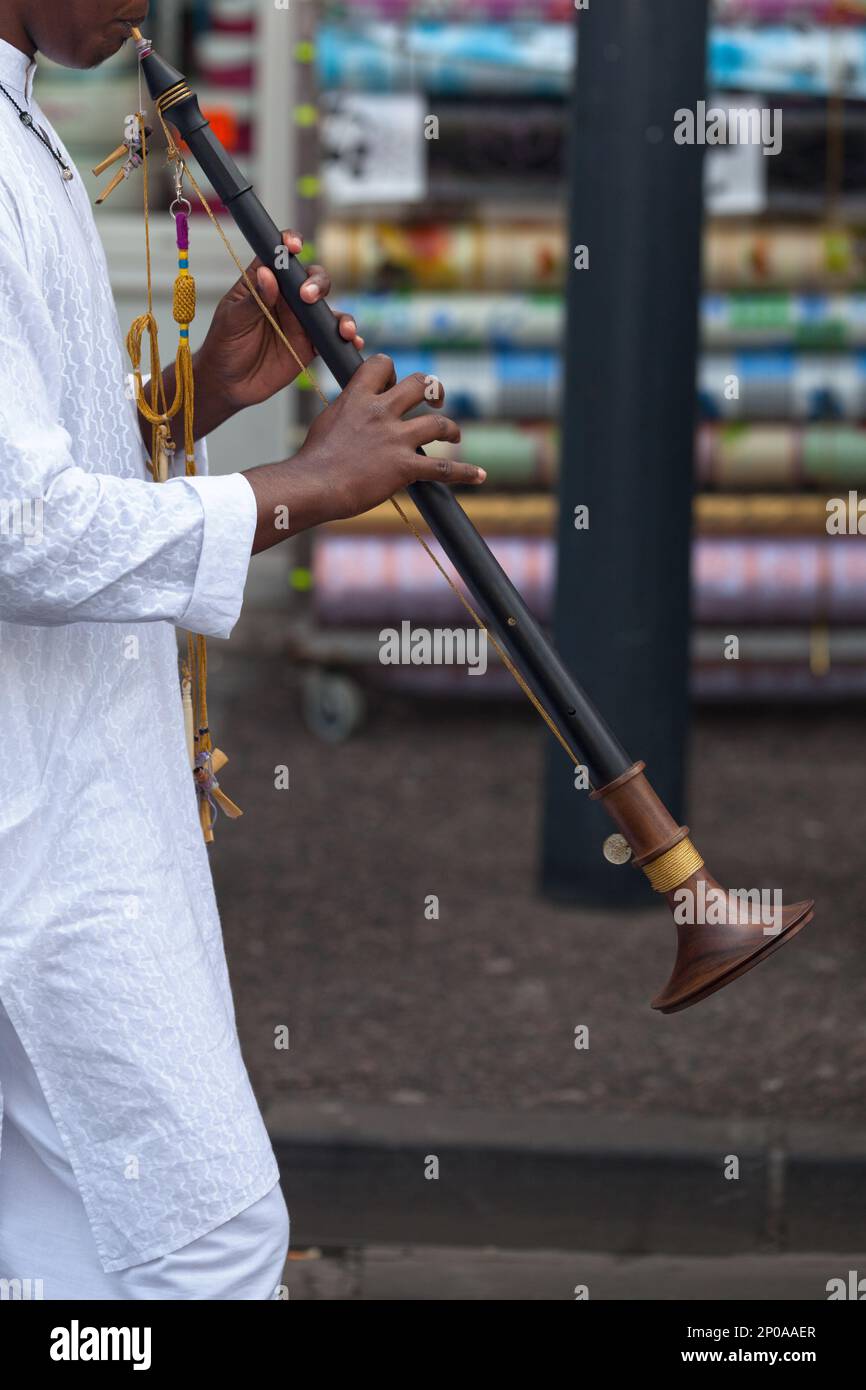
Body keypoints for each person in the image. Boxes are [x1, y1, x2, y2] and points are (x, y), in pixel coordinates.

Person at [0, 0, 485, 1301]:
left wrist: (202, 394)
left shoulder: (21, 121)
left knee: (65, 1253)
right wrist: (313, 485)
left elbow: (39, 461)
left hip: (67, 797)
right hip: (46, 838)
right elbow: (21, 528)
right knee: (204, 1246)